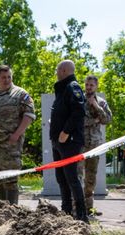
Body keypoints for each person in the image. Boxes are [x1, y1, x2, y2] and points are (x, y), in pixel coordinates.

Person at [0, 65, 35, 204]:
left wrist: (17, 134)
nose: (6, 80)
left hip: (9, 144)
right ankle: (3, 203)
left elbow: (29, 115)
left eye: (9, 77)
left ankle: (12, 209)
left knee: (10, 178)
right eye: (3, 77)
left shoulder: (20, 94)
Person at [49, 59, 88, 223]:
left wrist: (65, 132)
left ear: (64, 70)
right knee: (61, 178)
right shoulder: (62, 89)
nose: (56, 73)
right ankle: (66, 213)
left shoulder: (72, 87)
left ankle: (81, 215)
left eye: (58, 70)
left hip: (69, 141)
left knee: (71, 178)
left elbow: (79, 111)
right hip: (58, 143)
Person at [77, 75, 112, 216]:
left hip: (95, 145)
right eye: (87, 85)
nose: (89, 87)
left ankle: (89, 208)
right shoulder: (79, 101)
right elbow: (78, 121)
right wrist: (94, 120)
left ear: (96, 86)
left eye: (91, 85)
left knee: (91, 177)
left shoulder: (102, 102)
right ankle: (77, 207)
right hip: (80, 144)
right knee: (78, 176)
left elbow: (107, 120)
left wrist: (96, 106)